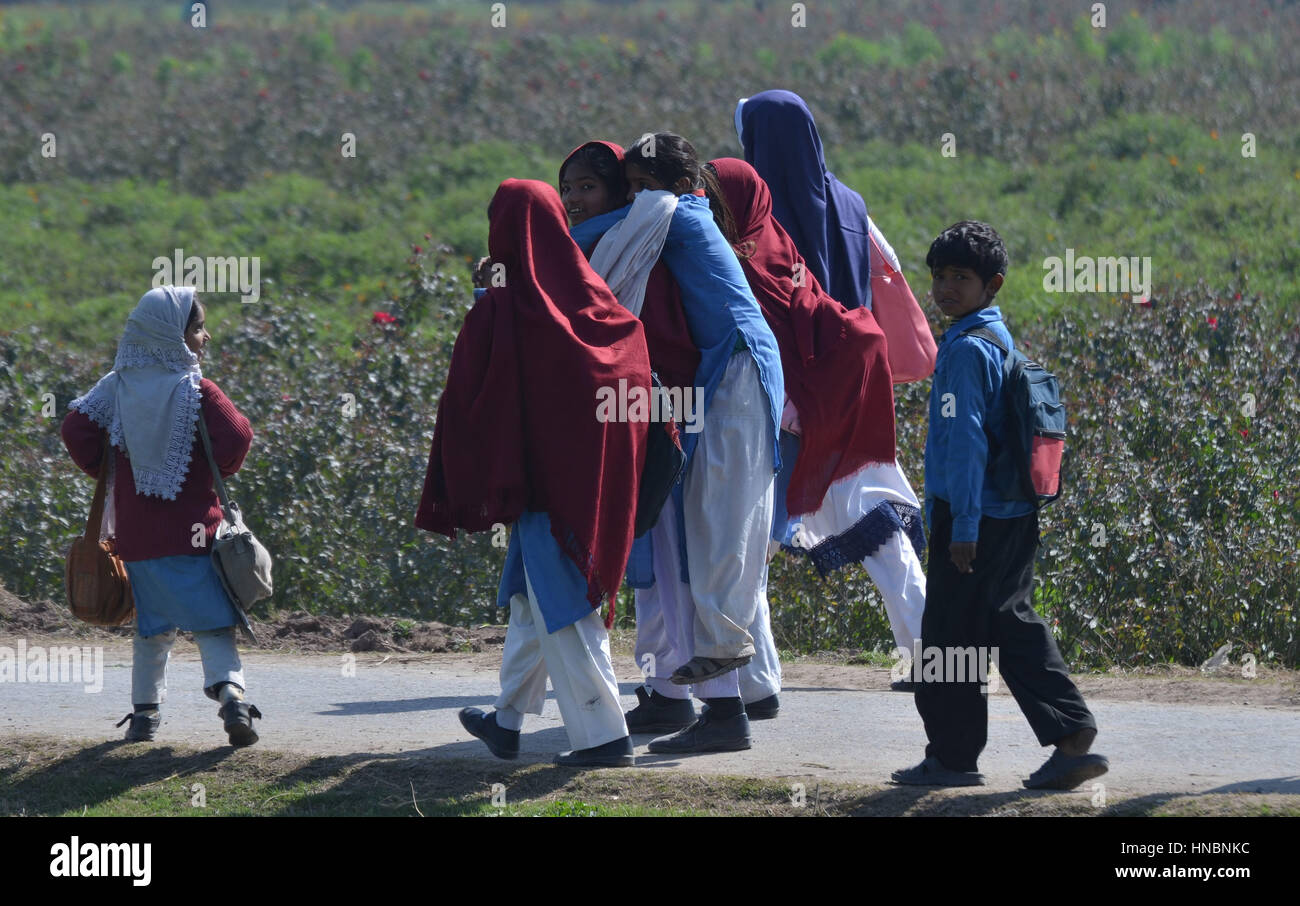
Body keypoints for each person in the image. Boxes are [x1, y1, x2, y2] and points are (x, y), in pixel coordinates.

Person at [416, 179, 651, 768]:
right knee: (529, 598)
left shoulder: (509, 306)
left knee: (563, 607)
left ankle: (604, 736)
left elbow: (471, 385)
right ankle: (507, 719)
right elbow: (626, 357)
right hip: (587, 480)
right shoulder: (588, 293)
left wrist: (482, 299)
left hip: (546, 488)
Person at [570, 133, 785, 754]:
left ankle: (722, 699)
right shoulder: (673, 219)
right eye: (629, 187)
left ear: (679, 184)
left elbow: (588, 239)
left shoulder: (676, 211)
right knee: (711, 524)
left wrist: (527, 245)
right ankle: (706, 690)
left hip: (737, 369)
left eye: (642, 186)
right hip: (728, 373)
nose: (635, 199)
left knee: (719, 523)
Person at [892, 221, 1108, 789]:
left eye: (960, 278)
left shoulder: (964, 351)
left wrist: (961, 525)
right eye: (938, 276)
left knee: (948, 639)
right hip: (1012, 514)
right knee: (1008, 622)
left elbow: (964, 445)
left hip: (975, 521)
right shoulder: (997, 337)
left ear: (994, 285)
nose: (944, 289)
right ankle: (1069, 736)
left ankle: (954, 758)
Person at [735, 91, 930, 681]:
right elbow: (888, 277)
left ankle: (748, 675)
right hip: (861, 381)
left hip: (794, 395)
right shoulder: (851, 203)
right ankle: (934, 656)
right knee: (878, 526)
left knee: (749, 532)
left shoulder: (755, 222)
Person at [61, 285, 260, 746]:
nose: (205, 337)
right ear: (172, 336)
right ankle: (232, 699)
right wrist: (217, 468)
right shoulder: (197, 390)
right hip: (195, 533)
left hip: (136, 536)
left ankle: (145, 716)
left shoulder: (116, 387)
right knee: (212, 623)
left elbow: (75, 429)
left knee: (152, 627)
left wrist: (108, 470)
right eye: (197, 328)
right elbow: (238, 436)